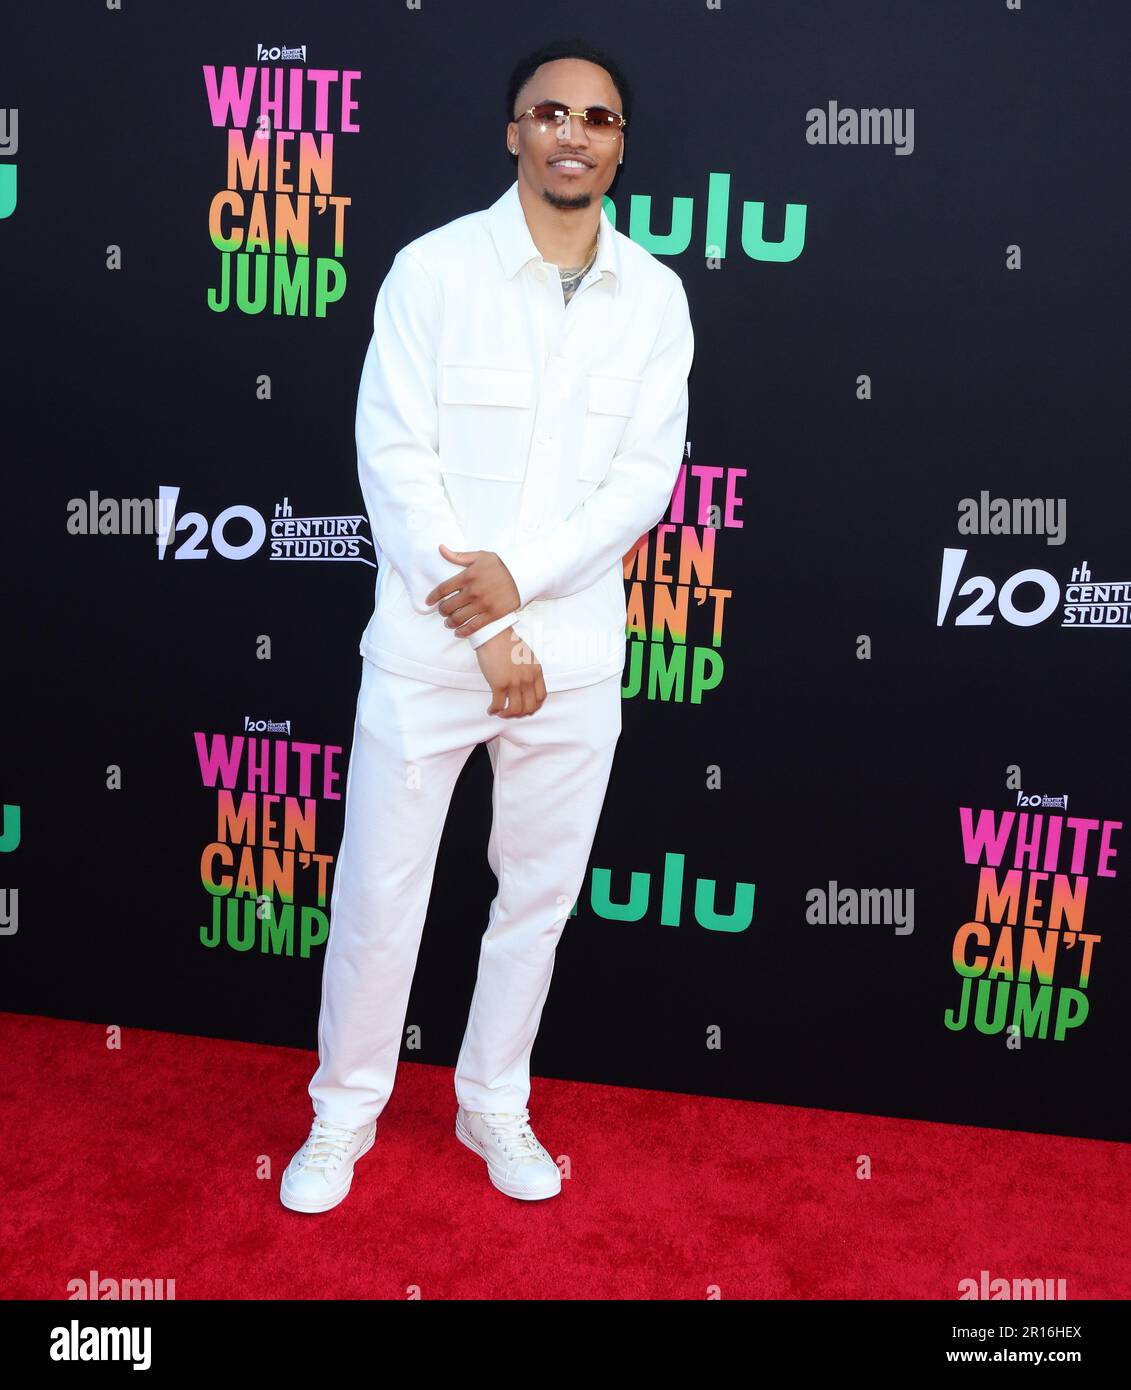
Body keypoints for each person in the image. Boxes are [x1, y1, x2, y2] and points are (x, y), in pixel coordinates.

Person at [281, 37, 694, 1212]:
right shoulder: (432, 271)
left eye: (598, 119)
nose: (574, 133)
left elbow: (641, 481)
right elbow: (395, 458)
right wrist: (485, 621)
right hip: (430, 646)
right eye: (549, 112)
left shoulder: (656, 296)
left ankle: (490, 1101)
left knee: (539, 895)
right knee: (377, 888)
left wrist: (521, 584)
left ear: (620, 144)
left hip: (572, 654)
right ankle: (341, 1115)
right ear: (513, 131)